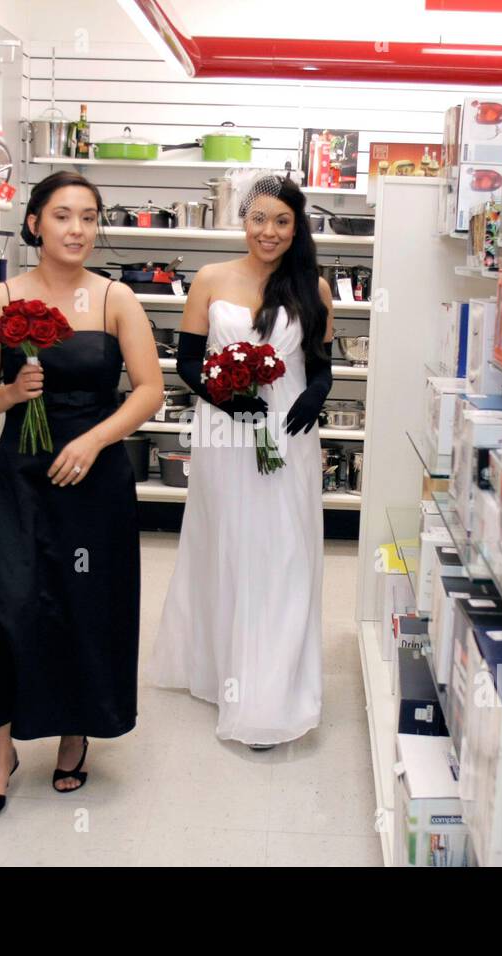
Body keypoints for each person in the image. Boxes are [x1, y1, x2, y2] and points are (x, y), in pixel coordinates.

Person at [0, 170, 163, 817]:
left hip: (93, 474)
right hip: (23, 473)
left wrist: (94, 441)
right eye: (64, 215)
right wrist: (14, 395)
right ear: (36, 223)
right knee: (3, 604)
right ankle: (1, 750)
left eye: (89, 217)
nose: (78, 229)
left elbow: (149, 390)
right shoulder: (3, 299)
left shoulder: (115, 299)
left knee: (84, 602)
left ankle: (74, 736)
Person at [148, 174, 334, 749]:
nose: (268, 232)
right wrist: (226, 396)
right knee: (227, 543)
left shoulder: (314, 287)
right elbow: (184, 364)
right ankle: (222, 668)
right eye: (258, 219)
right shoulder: (210, 279)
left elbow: (322, 363)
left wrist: (316, 395)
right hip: (226, 434)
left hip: (290, 434)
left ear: (296, 226)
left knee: (284, 551)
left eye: (282, 221)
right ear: (244, 220)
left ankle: (271, 691)